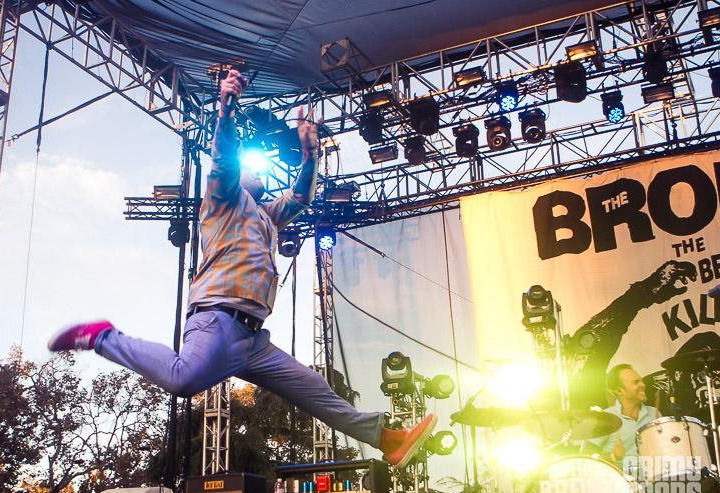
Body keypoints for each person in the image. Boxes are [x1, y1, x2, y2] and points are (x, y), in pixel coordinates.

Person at [47, 69, 436, 468]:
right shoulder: (222, 199)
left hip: (251, 339)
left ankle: (388, 440)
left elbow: (301, 196)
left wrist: (309, 154)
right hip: (217, 319)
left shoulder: (266, 215)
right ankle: (102, 337)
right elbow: (224, 156)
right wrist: (227, 105)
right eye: (252, 169)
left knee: (312, 389)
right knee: (183, 379)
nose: (259, 172)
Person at [593, 364, 660, 470]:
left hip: (652, 482)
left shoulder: (654, 413)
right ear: (619, 390)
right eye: (636, 382)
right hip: (619, 483)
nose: (643, 385)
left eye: (641, 381)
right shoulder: (606, 418)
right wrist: (613, 456)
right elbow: (586, 455)